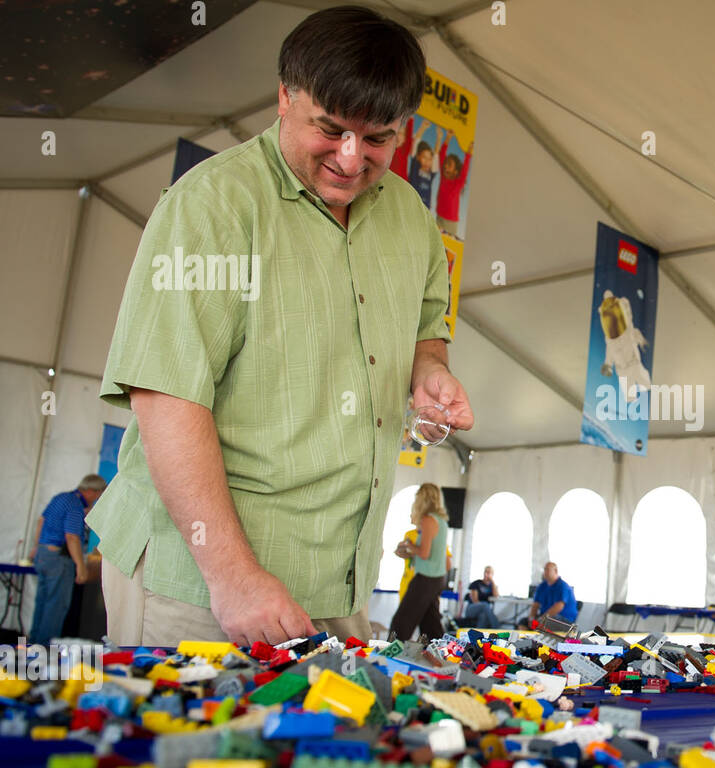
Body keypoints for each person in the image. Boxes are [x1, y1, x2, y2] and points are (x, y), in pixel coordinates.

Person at [88, 6, 475, 649]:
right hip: (199, 583)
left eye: (377, 138)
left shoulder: (411, 218)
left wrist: (428, 373)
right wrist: (234, 576)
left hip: (339, 586)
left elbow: (426, 328)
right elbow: (166, 399)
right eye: (330, 129)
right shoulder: (212, 206)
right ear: (284, 98)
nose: (351, 160)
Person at [29, 475, 106, 644]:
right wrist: (81, 566)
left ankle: (33, 646)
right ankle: (45, 650)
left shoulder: (61, 498)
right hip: (59, 559)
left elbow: (41, 521)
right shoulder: (75, 505)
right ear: (92, 491)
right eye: (100, 494)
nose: (99, 499)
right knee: (56, 606)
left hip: (44, 554)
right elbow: (72, 537)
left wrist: (36, 546)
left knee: (42, 602)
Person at [389, 484, 450, 641]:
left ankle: (389, 657)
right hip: (437, 578)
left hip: (426, 578)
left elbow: (424, 553)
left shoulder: (428, 519)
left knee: (400, 623)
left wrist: (408, 546)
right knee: (430, 625)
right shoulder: (441, 521)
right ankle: (440, 655)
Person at [433, 125, 473, 236]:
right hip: (439, 216)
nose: (445, 166)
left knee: (448, 247)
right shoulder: (443, 177)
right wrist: (448, 138)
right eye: (445, 164)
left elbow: (465, 171)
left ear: (456, 171)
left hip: (451, 222)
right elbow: (441, 156)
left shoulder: (458, 183)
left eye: (449, 165)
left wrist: (468, 153)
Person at [523, 562, 577, 626]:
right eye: (544, 569)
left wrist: (541, 619)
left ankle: (537, 632)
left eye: (547, 569)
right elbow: (535, 604)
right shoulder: (542, 586)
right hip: (545, 617)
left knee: (546, 622)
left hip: (564, 620)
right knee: (523, 622)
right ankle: (529, 635)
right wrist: (531, 619)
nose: (545, 572)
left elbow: (558, 607)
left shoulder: (563, 586)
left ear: (555, 571)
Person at [461, 565, 499, 630]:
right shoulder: (476, 583)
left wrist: (492, 581)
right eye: (486, 572)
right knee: (485, 605)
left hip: (483, 610)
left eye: (489, 572)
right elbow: (475, 601)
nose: (486, 574)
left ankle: (478, 634)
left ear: (492, 574)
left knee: (483, 615)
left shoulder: (492, 586)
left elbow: (496, 596)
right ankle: (497, 628)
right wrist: (484, 607)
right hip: (471, 609)